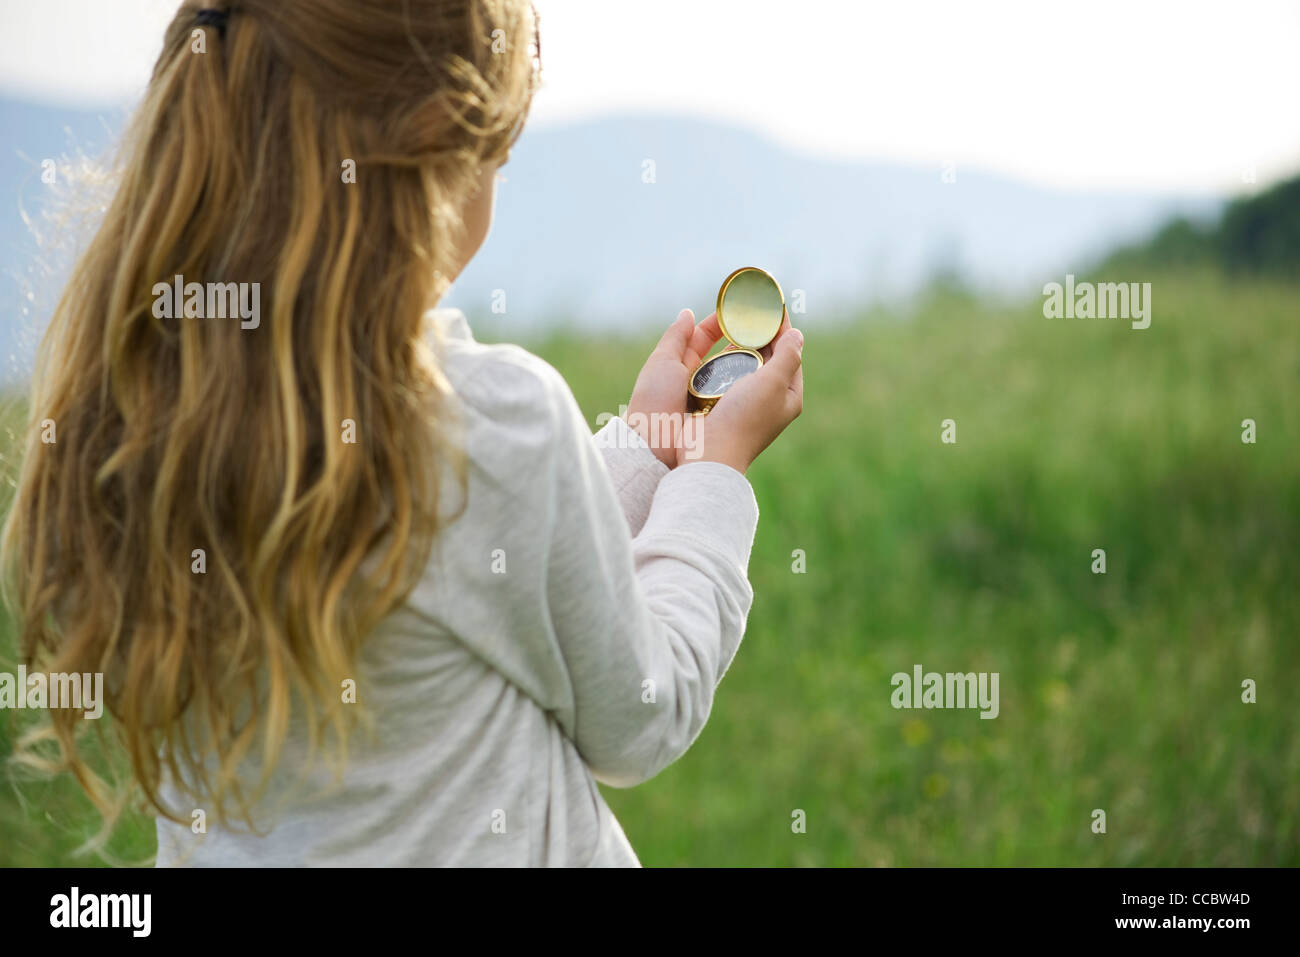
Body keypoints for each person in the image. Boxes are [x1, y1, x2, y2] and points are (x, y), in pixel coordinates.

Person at [2, 0, 803, 866]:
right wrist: (712, 477)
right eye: (495, 155)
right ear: (435, 154)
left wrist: (646, 443)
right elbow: (640, 714)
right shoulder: (497, 417)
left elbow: (481, 565)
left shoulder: (139, 419)